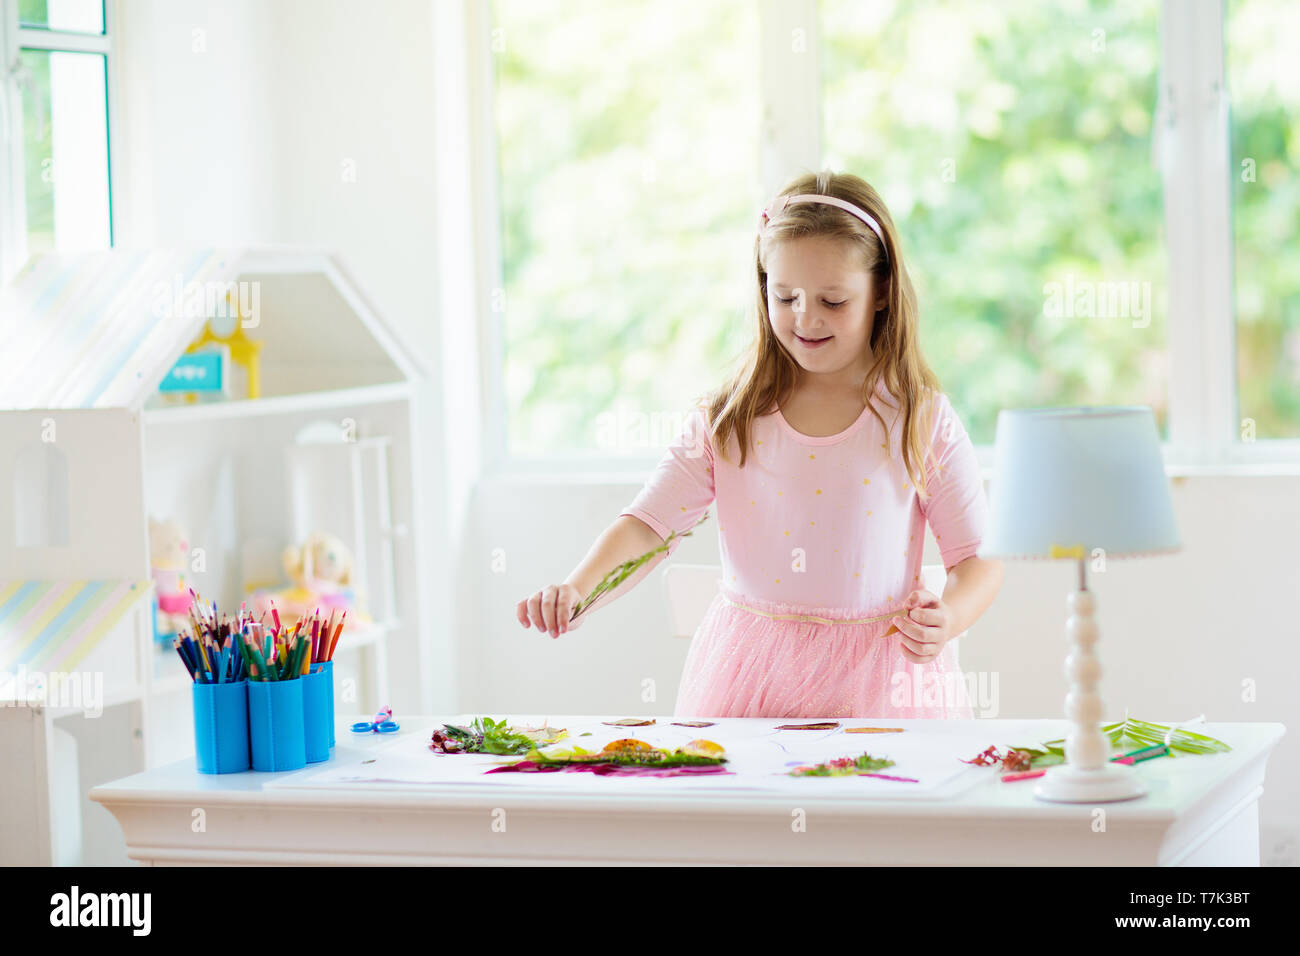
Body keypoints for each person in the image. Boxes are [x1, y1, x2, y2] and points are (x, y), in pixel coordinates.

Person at [517, 169, 1003, 718]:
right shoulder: (731, 418)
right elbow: (650, 525)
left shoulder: (919, 418)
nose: (806, 317)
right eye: (785, 295)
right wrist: (581, 589)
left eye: (833, 300)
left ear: (883, 292)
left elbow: (978, 560)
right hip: (748, 681)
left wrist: (950, 618)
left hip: (884, 685)